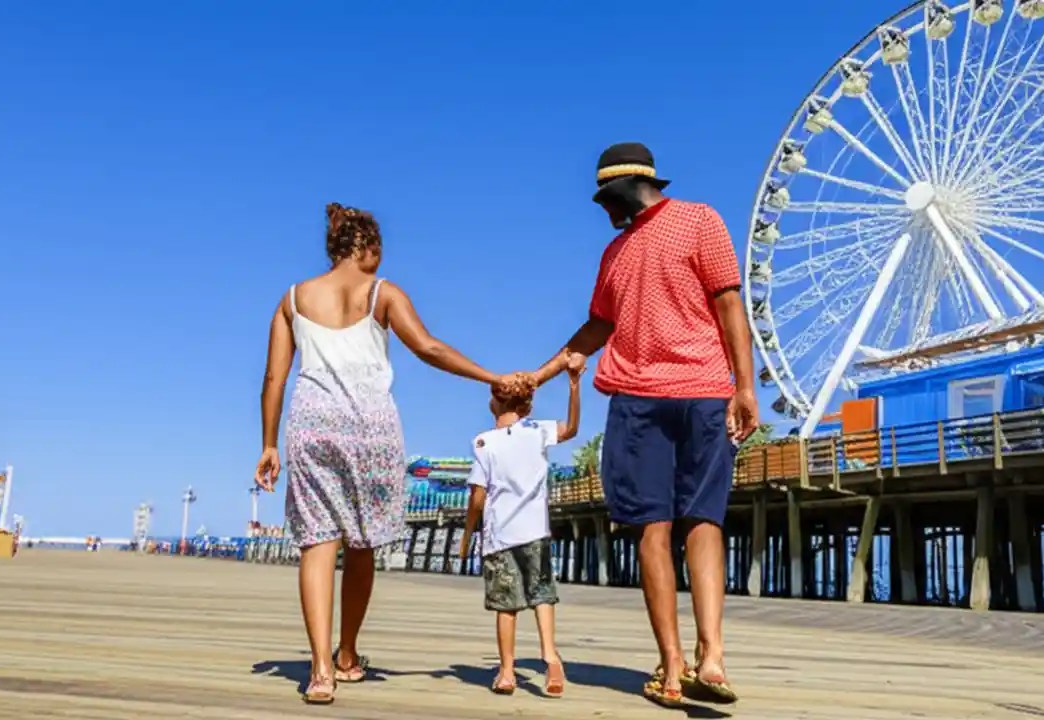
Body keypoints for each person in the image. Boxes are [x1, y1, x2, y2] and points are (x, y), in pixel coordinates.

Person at [515, 142, 759, 707]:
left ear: (620, 191)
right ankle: (712, 657)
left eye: (604, 202)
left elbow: (597, 329)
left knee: (653, 527)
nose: (604, 213)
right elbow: (726, 308)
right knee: (703, 521)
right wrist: (743, 387)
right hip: (704, 393)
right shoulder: (702, 221)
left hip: (641, 401)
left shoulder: (619, 252)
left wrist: (540, 374)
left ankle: (673, 669)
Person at [255, 202, 508, 705]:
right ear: (367, 247)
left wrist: (267, 443)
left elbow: (273, 378)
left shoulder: (293, 298)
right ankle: (348, 655)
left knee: (318, 544)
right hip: (372, 429)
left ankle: (321, 671)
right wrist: (491, 377)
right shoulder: (382, 293)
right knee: (364, 542)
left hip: (312, 426)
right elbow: (430, 348)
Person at [460, 352, 585, 698]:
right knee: (542, 595)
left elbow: (478, 497)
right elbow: (571, 429)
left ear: (497, 401)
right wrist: (574, 386)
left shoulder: (483, 442)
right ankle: (550, 656)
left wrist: (467, 534)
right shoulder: (538, 431)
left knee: (506, 605)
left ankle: (506, 671)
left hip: (500, 537)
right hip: (536, 532)